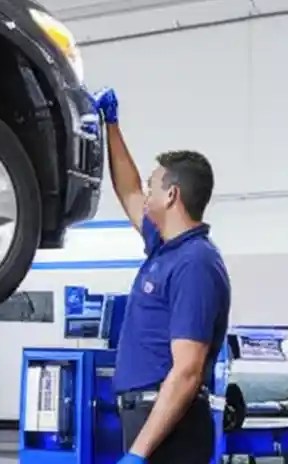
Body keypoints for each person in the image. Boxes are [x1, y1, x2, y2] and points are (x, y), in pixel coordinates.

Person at [94, 88, 232, 464]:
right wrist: (112, 126)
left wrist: (139, 453)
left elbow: (187, 371)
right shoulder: (165, 248)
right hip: (149, 418)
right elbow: (127, 189)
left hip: (171, 428)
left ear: (171, 195)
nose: (145, 192)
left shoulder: (195, 264)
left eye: (153, 186)